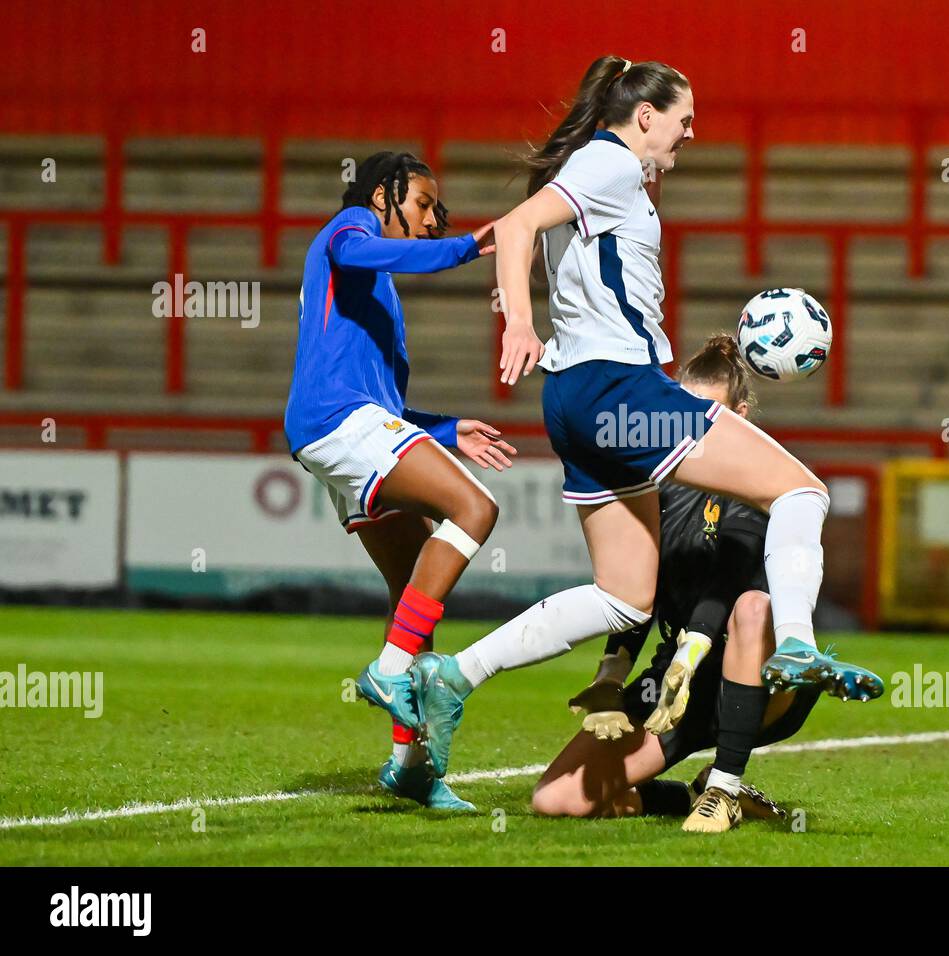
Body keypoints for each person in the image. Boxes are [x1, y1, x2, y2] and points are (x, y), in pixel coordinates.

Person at [410, 56, 880, 790]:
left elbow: (530, 222)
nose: (691, 133)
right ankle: (795, 644)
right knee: (801, 493)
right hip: (620, 392)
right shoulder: (613, 164)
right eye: (684, 120)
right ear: (646, 115)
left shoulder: (595, 168)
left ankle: (454, 676)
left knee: (624, 595)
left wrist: (531, 328)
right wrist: (519, 323)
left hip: (573, 401)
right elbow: (517, 223)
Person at [538, 336, 883, 832]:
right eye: (681, 409)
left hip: (753, 674)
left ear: (738, 417)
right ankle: (694, 794)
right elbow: (637, 595)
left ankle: (724, 786)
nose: (687, 427)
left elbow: (726, 581)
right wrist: (612, 680)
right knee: (558, 799)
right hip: (676, 681)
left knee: (753, 606)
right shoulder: (653, 489)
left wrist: (693, 646)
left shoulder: (763, 487)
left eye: (707, 413)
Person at [284, 151, 513, 810]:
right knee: (475, 507)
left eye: (438, 211)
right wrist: (467, 247)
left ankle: (409, 765)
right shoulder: (349, 229)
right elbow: (358, 403)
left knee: (415, 585)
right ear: (382, 195)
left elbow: (380, 405)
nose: (431, 217)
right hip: (338, 422)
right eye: (420, 202)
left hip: (343, 428)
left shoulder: (377, 290)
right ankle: (387, 673)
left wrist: (444, 431)